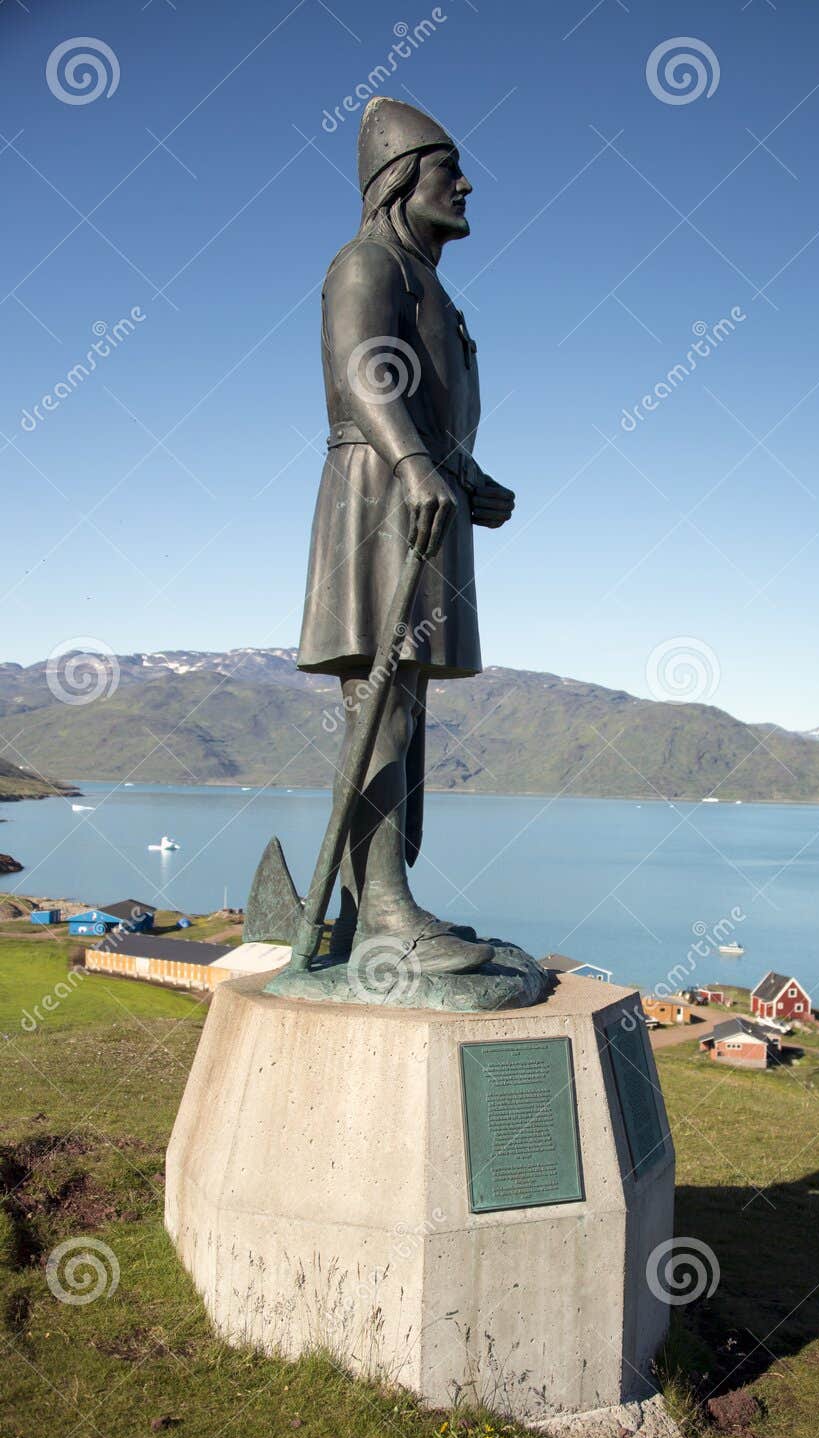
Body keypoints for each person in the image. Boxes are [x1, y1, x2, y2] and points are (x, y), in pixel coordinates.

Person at [297, 98, 515, 975]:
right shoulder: (367, 262)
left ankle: (376, 904)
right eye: (447, 169)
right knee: (380, 697)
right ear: (398, 180)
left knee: (406, 701)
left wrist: (467, 477)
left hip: (421, 490)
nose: (465, 185)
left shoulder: (431, 285)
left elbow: (431, 404)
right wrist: (418, 465)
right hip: (380, 492)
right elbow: (365, 370)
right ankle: (383, 909)